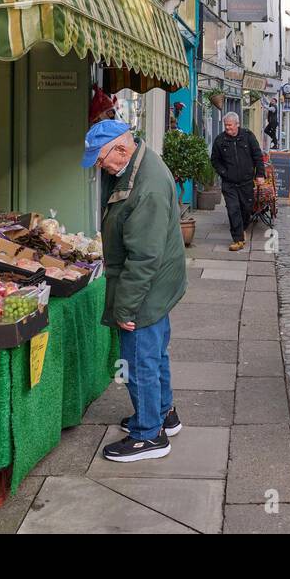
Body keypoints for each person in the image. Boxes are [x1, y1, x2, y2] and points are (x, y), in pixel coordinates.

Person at [82, 120, 186, 462]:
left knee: (137, 359)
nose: (100, 167)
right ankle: (163, 414)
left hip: (147, 288)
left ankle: (148, 435)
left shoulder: (148, 187)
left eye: (100, 160)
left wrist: (125, 308)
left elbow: (143, 257)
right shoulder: (137, 165)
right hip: (159, 284)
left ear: (121, 149)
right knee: (154, 353)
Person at [211, 112, 265, 252]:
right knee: (233, 209)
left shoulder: (247, 136)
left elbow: (257, 155)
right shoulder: (220, 140)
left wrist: (260, 174)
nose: (227, 128)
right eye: (226, 125)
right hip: (229, 184)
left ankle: (242, 229)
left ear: (237, 124)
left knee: (246, 209)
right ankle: (238, 239)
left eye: (230, 125)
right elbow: (215, 160)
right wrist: (224, 173)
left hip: (246, 182)